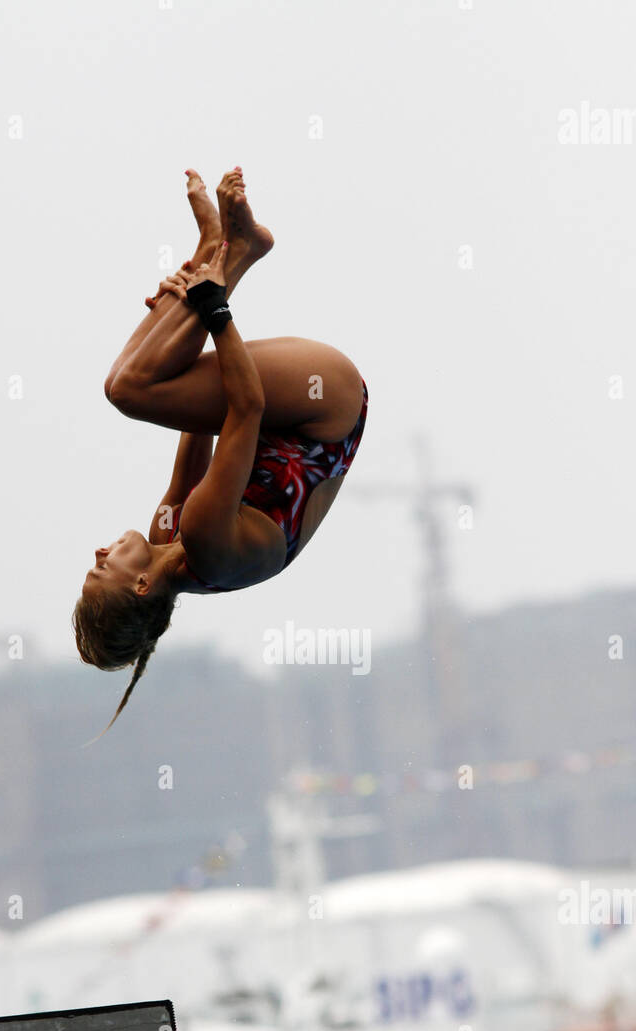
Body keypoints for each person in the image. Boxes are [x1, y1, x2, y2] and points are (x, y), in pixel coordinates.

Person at [73, 168, 368, 728]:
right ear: (141, 585)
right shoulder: (204, 538)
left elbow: (199, 425)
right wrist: (212, 310)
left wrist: (173, 320)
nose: (98, 553)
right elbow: (245, 410)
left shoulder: (169, 533)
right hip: (323, 404)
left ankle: (217, 251)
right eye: (101, 571)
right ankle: (231, 255)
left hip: (295, 415)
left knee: (129, 384)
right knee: (133, 388)